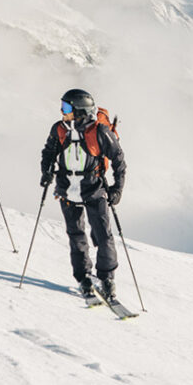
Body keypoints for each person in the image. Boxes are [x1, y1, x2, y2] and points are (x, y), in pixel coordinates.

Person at [39, 89, 126, 300]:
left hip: (94, 189)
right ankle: (83, 277)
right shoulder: (59, 129)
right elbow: (48, 152)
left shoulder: (99, 132)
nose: (62, 110)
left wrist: (117, 189)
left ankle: (106, 277)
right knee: (76, 236)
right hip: (67, 191)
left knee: (103, 236)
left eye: (67, 107)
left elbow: (119, 160)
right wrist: (46, 171)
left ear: (79, 110)